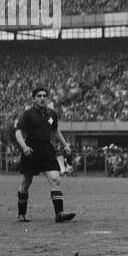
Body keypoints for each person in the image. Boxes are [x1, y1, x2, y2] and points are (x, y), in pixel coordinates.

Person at [14, 86, 75, 223]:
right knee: (26, 183)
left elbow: (55, 131)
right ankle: (21, 214)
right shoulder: (28, 114)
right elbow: (18, 132)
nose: (42, 98)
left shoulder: (52, 114)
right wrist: (24, 146)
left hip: (47, 148)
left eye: (44, 96)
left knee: (56, 179)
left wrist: (65, 145)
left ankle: (59, 213)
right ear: (33, 99)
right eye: (39, 96)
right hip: (31, 149)